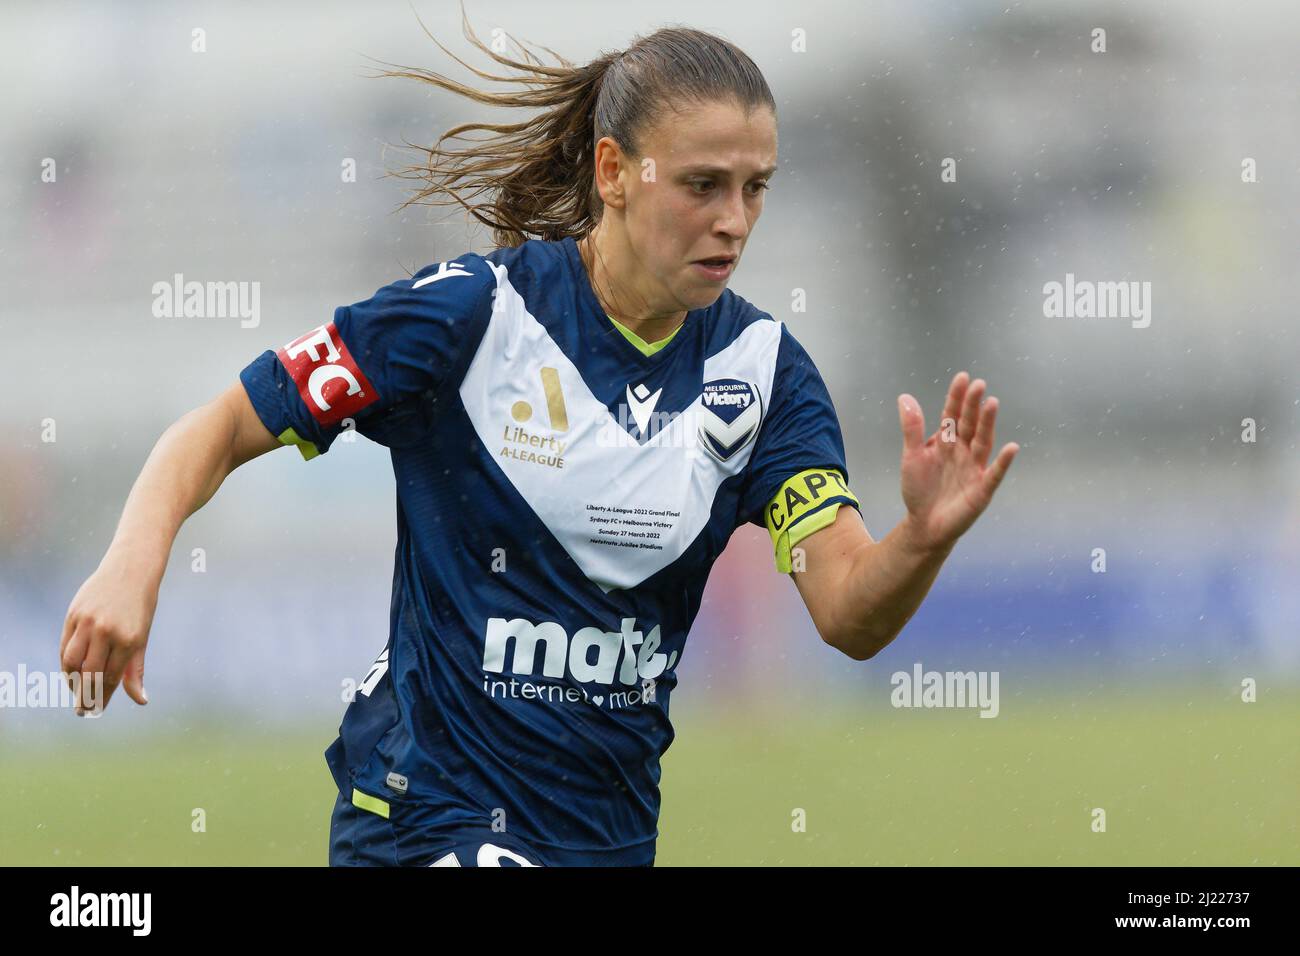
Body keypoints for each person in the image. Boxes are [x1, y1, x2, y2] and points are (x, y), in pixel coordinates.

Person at [59, 19, 1017, 867]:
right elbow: (223, 422)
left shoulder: (764, 372)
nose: (734, 218)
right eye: (701, 184)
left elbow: (849, 613)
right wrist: (131, 566)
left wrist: (921, 540)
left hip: (605, 835)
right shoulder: (473, 316)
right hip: (424, 813)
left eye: (755, 187)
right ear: (612, 172)